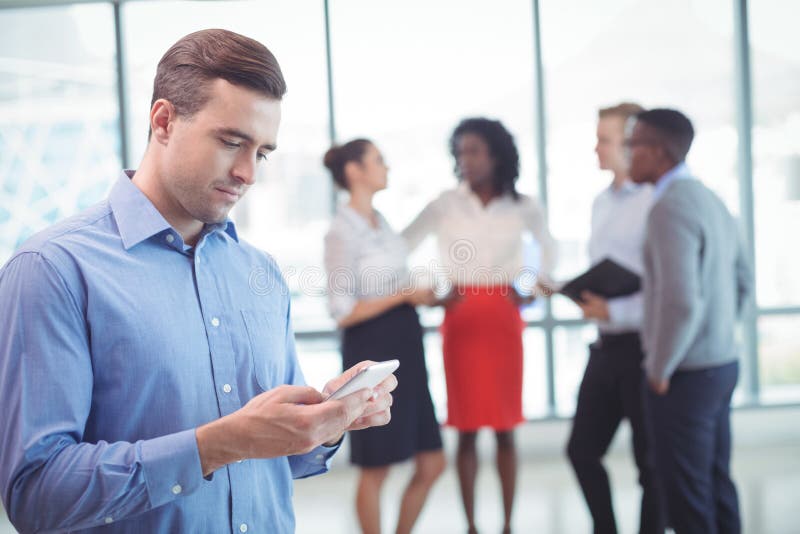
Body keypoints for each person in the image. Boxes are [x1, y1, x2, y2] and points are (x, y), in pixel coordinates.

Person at [0, 29, 396, 534]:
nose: (249, 173)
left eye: (262, 152)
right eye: (231, 142)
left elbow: (285, 457)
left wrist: (327, 422)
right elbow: (35, 495)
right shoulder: (52, 270)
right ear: (163, 121)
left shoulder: (260, 273)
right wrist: (220, 443)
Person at [403, 118, 556, 534]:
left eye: (473, 151)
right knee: (466, 429)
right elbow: (399, 247)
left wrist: (530, 289)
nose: (465, 160)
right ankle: (471, 525)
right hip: (462, 318)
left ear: (497, 154)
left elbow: (549, 252)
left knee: (506, 429)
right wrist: (431, 291)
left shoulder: (524, 207)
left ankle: (507, 525)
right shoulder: (444, 204)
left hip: (504, 318)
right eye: (460, 152)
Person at [628, 108, 752, 534]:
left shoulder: (669, 207)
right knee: (717, 485)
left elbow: (680, 302)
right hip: (721, 364)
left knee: (687, 500)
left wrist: (660, 367)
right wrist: (718, 335)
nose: (628, 154)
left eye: (634, 144)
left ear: (660, 151)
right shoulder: (710, 198)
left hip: (685, 374)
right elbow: (743, 281)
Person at [322, 139, 446, 534]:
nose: (387, 167)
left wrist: (419, 294)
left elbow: (394, 284)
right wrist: (402, 294)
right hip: (372, 349)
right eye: (378, 160)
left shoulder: (382, 222)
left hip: (407, 345)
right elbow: (342, 311)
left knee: (432, 461)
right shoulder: (341, 232)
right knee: (377, 467)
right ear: (354, 171)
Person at [565, 103, 665, 534]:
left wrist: (618, 309)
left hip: (643, 349)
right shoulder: (600, 203)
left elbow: (667, 288)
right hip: (605, 347)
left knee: (651, 465)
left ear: (631, 144)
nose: (596, 148)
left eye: (603, 140)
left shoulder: (655, 202)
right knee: (581, 451)